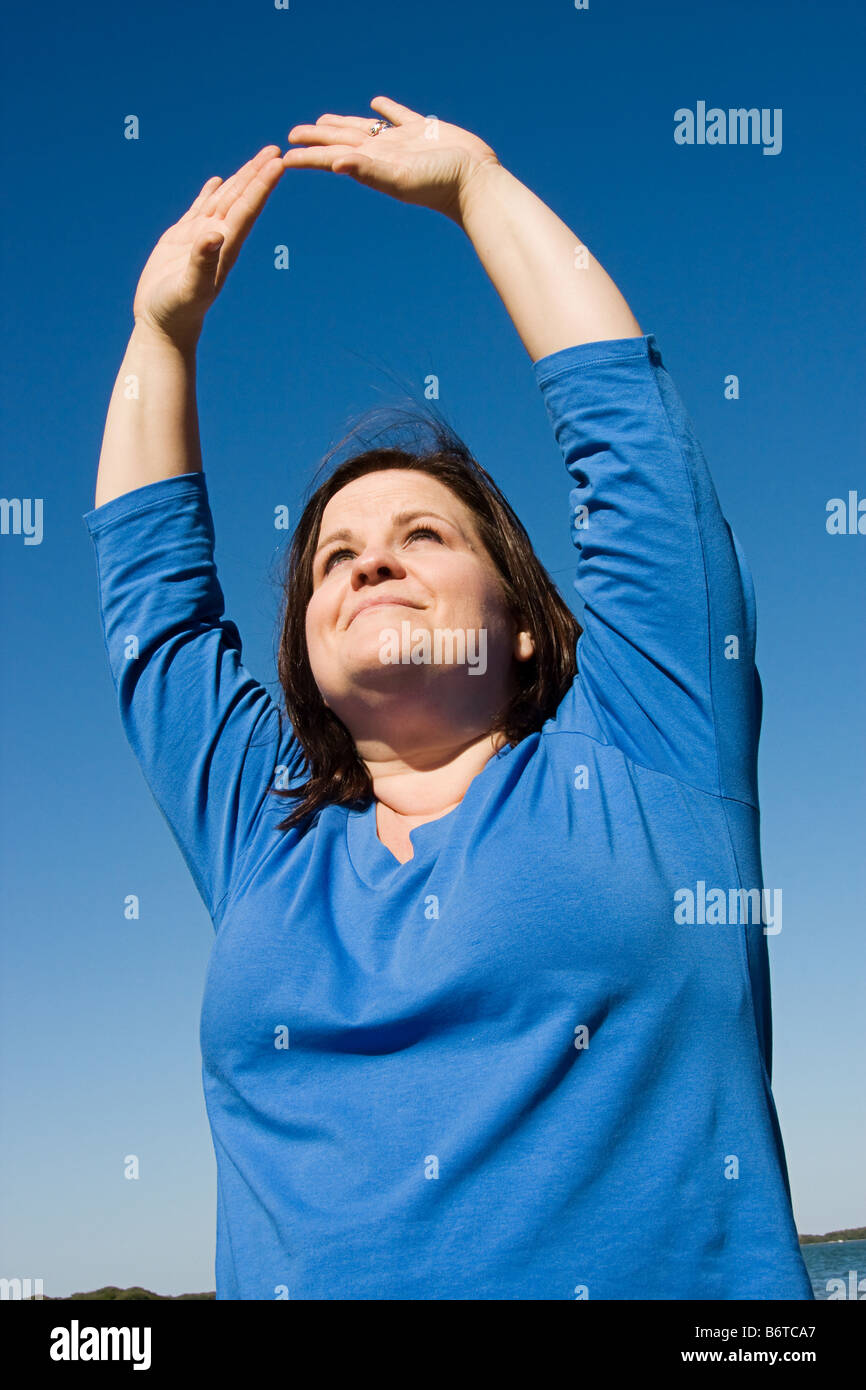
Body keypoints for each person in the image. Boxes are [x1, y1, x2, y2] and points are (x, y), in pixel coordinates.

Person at [83, 97, 813, 1300]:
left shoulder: (648, 746)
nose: (367, 561)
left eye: (421, 534)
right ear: (306, 646)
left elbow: (631, 439)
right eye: (331, 557)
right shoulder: (265, 842)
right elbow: (154, 610)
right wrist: (159, 335)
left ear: (523, 621)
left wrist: (478, 185)